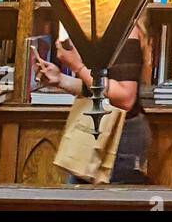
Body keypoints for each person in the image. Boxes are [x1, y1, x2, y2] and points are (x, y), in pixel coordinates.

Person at [36, 15, 152, 185]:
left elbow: (125, 97)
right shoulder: (107, 28)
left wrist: (78, 67)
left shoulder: (125, 30)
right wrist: (60, 79)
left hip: (119, 135)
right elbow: (99, 90)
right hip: (103, 130)